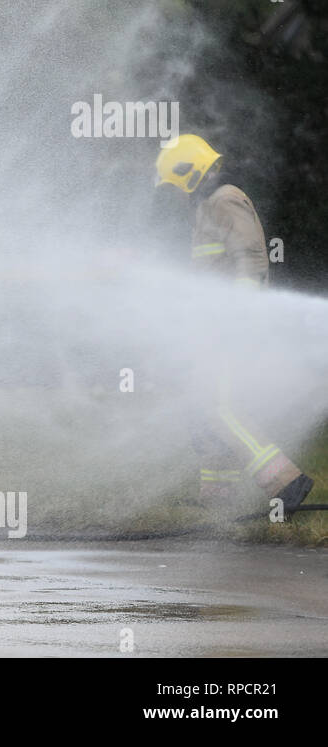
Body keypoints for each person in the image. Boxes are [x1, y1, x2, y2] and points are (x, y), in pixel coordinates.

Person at [155, 133, 314, 514]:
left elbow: (253, 258)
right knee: (202, 408)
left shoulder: (225, 198)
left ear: (188, 173)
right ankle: (217, 499)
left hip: (233, 327)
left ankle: (286, 481)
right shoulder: (206, 208)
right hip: (214, 328)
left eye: (174, 184)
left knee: (220, 406)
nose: (174, 193)